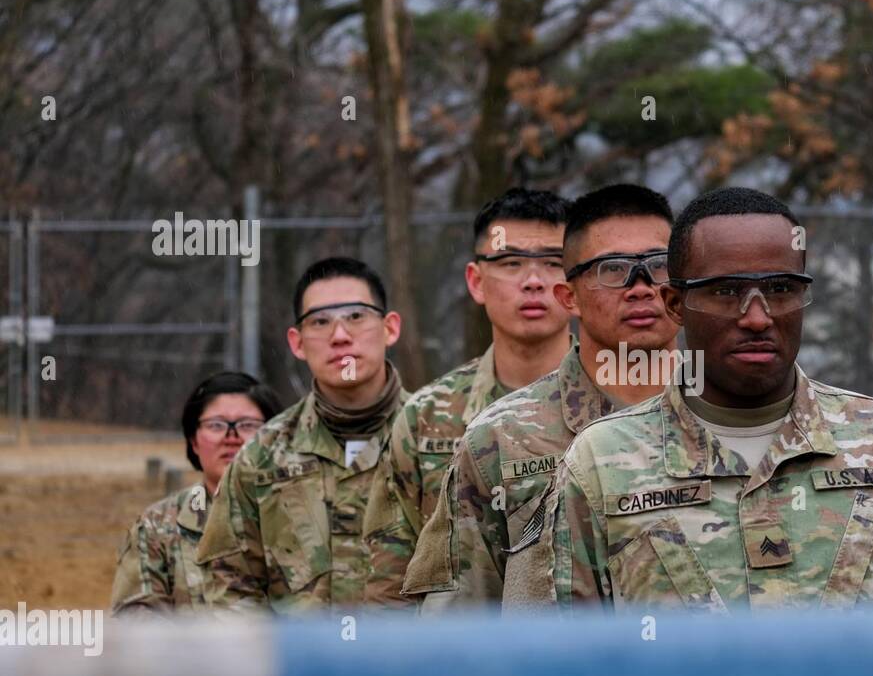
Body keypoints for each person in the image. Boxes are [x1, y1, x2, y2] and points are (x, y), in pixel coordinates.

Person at [513, 187, 873, 612]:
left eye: (780, 288)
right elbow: (551, 671)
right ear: (675, 304)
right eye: (726, 291)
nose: (757, 316)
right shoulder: (600, 464)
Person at [401, 184, 680, 613]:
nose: (640, 287)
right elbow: (458, 627)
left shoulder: (736, 417)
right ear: (569, 296)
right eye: (613, 268)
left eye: (659, 265)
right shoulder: (497, 438)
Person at [362, 187, 571, 579]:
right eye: (510, 263)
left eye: (553, 262)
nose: (533, 281)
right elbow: (390, 577)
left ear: (576, 280)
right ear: (476, 282)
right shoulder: (426, 418)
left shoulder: (620, 403)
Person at [196, 257, 409, 613]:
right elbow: (228, 588)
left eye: (356, 316)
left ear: (390, 327)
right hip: (298, 666)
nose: (340, 336)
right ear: (296, 342)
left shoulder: (441, 443)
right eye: (320, 321)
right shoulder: (260, 459)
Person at [111, 372, 281, 615]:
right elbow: (135, 625)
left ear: (273, 437)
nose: (231, 438)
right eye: (216, 425)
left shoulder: (303, 516)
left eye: (247, 425)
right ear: (193, 440)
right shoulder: (156, 527)